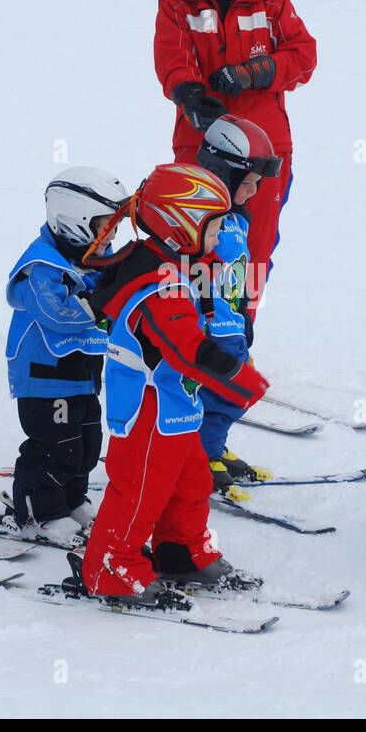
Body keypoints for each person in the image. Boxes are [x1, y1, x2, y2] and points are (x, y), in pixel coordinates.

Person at [76, 164, 270, 605]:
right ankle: (112, 568)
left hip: (176, 406)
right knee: (140, 492)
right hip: (146, 410)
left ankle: (182, 553)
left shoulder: (175, 266)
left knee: (191, 482)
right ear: (182, 226)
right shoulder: (157, 285)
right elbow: (187, 349)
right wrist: (241, 381)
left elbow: (204, 272)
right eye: (215, 227)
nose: (222, 237)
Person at [154, 0, 317, 316]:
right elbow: (172, 62)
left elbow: (304, 56)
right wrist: (191, 96)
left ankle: (239, 333)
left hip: (264, 150)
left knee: (254, 247)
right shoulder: (176, 4)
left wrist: (254, 72)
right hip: (201, 144)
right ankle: (186, 337)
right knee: (192, 242)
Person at [4, 167, 129, 547]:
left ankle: (71, 500)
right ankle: (38, 511)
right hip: (44, 377)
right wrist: (104, 298)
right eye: (106, 226)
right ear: (75, 221)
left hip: (81, 373)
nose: (113, 235)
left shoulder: (95, 258)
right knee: (55, 445)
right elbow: (59, 315)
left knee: (87, 443)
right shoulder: (41, 266)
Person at [193, 116, 283, 491]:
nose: (254, 191)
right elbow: (188, 274)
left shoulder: (237, 220)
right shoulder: (197, 218)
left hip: (232, 325)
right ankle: (200, 454)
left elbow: (241, 270)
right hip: (208, 329)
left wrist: (245, 311)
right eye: (247, 183)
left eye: (257, 183)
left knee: (239, 390)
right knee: (232, 390)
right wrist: (205, 321)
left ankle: (211, 447)